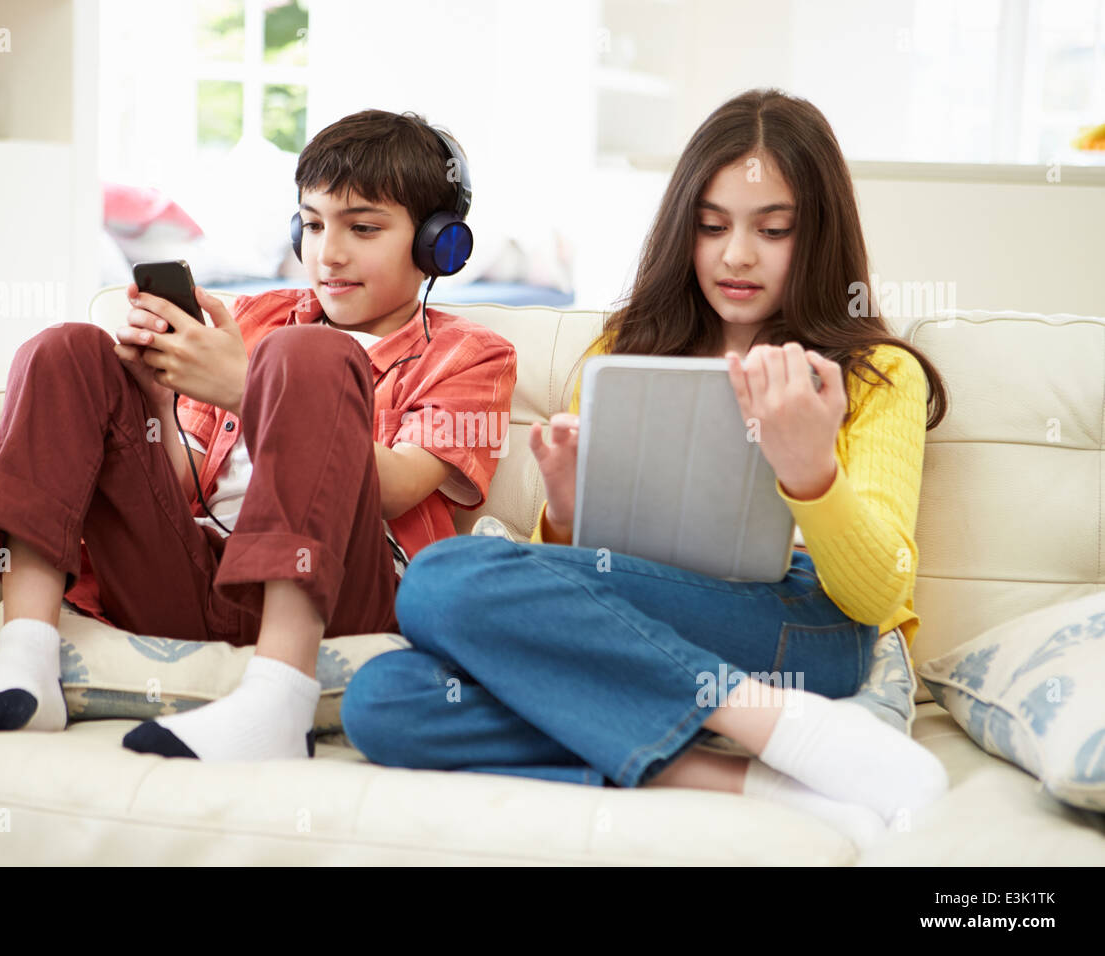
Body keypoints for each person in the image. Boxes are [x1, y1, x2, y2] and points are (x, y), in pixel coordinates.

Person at [341, 89, 951, 851]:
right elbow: (565, 579)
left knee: (440, 579)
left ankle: (782, 722)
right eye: (712, 226)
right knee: (383, 702)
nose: (736, 255)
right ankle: (770, 780)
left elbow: (877, 592)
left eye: (773, 230)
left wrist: (810, 474)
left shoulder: (875, 373)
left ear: (819, 236)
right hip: (640, 614)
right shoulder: (625, 351)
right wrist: (565, 511)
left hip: (802, 626)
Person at [0, 109, 517, 766]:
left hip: (339, 596)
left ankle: (278, 700)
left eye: (362, 228)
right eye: (311, 225)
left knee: (307, 352)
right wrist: (149, 405)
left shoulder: (469, 354)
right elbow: (179, 484)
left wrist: (242, 385)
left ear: (438, 245)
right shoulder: (255, 317)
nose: (327, 253)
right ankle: (26, 658)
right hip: (193, 578)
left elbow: (395, 488)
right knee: (64, 350)